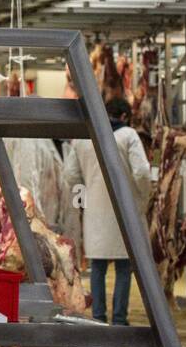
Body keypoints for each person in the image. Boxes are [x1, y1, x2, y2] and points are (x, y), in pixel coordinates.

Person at [63, 97, 152, 325]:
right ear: (124, 116)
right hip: (125, 210)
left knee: (98, 268)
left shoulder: (85, 137)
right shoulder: (128, 135)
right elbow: (142, 171)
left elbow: (70, 175)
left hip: (95, 211)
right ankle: (120, 320)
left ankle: (99, 318)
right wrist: (142, 197)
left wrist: (83, 198)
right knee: (124, 266)